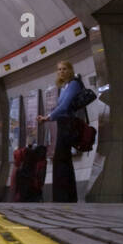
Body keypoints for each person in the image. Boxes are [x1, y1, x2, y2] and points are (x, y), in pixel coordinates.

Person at [37, 60, 86, 202]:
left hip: (68, 125)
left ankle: (64, 196)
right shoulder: (65, 86)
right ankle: (66, 196)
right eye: (59, 69)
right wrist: (48, 117)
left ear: (70, 70)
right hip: (62, 124)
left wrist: (48, 117)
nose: (61, 72)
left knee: (61, 159)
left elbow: (64, 106)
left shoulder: (74, 84)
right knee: (62, 159)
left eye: (64, 69)